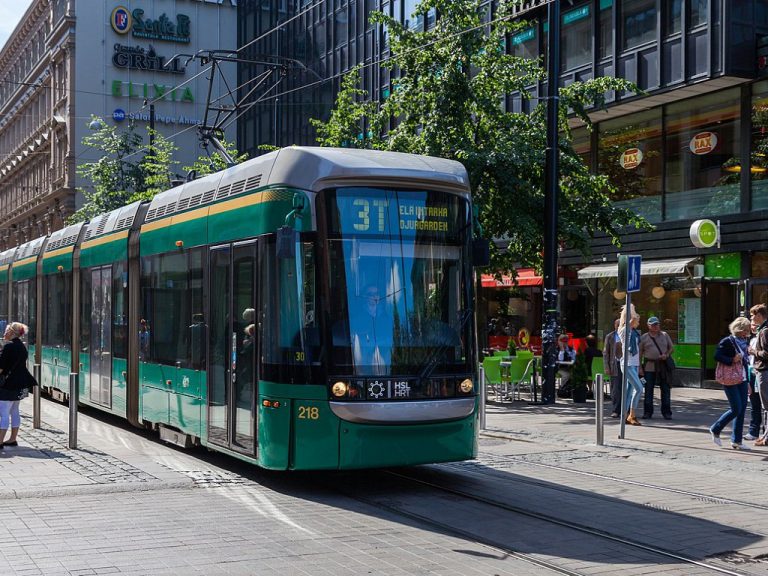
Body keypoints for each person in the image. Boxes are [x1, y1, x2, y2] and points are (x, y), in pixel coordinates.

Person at [710, 316, 751, 450]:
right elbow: (717, 356)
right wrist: (732, 359)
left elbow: (745, 362)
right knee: (736, 409)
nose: (748, 332)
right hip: (730, 378)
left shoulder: (745, 341)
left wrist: (749, 381)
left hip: (742, 378)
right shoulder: (727, 341)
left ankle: (737, 441)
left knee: (742, 409)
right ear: (739, 329)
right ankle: (716, 428)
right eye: (745, 330)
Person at [0, 322, 34, 449]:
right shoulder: (22, 347)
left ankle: (0, 441)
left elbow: (1, 368)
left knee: (3, 413)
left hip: (8, 385)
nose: (4, 332)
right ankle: (13, 439)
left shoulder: (9, 347)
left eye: (6, 330)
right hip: (21, 383)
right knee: (15, 410)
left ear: (12, 333)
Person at [350, 285, 393, 374]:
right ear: (365, 297)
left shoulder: (386, 316)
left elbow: (390, 336)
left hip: (384, 353)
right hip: (363, 355)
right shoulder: (357, 317)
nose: (374, 296)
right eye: (370, 294)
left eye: (376, 293)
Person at [639, 316, 675, 420]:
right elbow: (640, 353)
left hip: (663, 366)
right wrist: (639, 368)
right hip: (649, 367)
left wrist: (666, 355)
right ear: (648, 326)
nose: (656, 326)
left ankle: (667, 412)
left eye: (657, 324)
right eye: (654, 325)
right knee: (648, 389)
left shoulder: (664, 335)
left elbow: (671, 348)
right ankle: (648, 412)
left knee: (666, 389)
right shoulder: (644, 337)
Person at [618, 304, 643, 426]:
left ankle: (624, 416)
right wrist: (631, 309)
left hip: (634, 364)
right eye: (637, 320)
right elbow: (630, 319)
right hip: (627, 364)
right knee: (639, 388)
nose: (638, 322)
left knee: (629, 391)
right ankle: (631, 415)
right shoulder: (624, 330)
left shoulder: (634, 332)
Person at [749, 304, 768, 446]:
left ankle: (766, 437)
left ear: (759, 316)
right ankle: (765, 435)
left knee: (766, 406)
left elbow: (766, 354)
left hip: (764, 371)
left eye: (752, 315)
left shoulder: (764, 331)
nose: (751, 318)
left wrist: (753, 351)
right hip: (763, 371)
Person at [745, 319, 762, 441]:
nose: (752, 326)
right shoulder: (751, 339)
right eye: (751, 324)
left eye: (755, 323)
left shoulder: (763, 336)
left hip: (760, 373)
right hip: (752, 373)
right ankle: (753, 431)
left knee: (763, 405)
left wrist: (753, 352)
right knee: (754, 404)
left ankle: (764, 432)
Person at [603, 319, 622, 418]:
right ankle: (616, 410)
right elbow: (606, 353)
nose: (619, 327)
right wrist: (607, 367)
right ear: (614, 325)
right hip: (615, 364)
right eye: (617, 325)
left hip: (626, 365)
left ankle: (626, 410)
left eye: (621, 324)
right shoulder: (610, 336)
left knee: (625, 388)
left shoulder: (627, 335)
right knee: (615, 389)